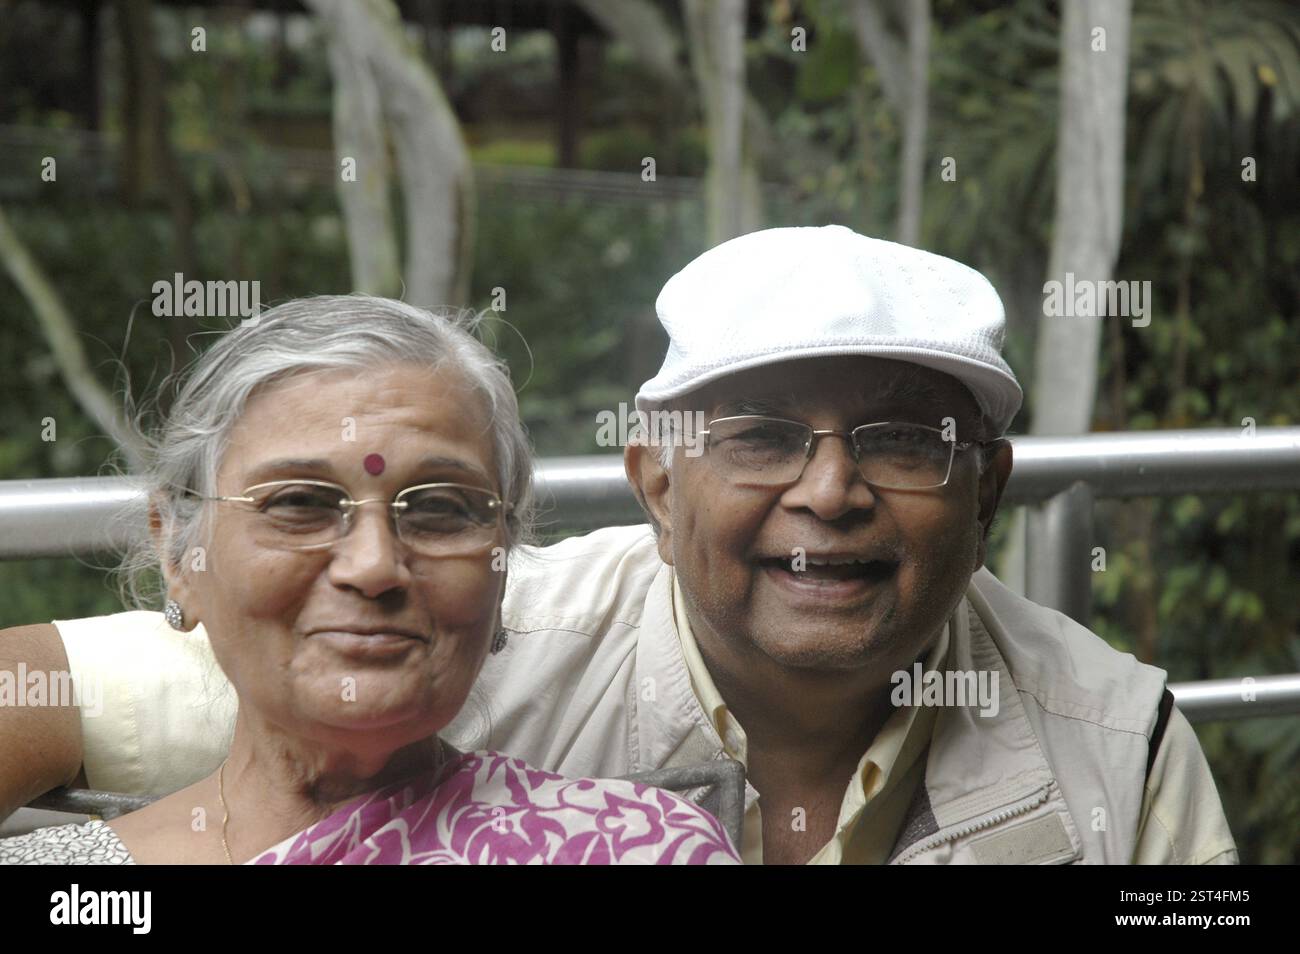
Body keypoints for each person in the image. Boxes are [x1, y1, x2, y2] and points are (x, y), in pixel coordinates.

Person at [1, 226, 1237, 865]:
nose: (831, 490)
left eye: (903, 442)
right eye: (757, 436)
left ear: (988, 495)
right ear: (652, 477)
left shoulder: (1116, 746)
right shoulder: (440, 624)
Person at [0, 296, 739, 865]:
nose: (375, 565)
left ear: (504, 558)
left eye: (443, 510)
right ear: (178, 554)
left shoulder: (634, 848)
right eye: (298, 504)